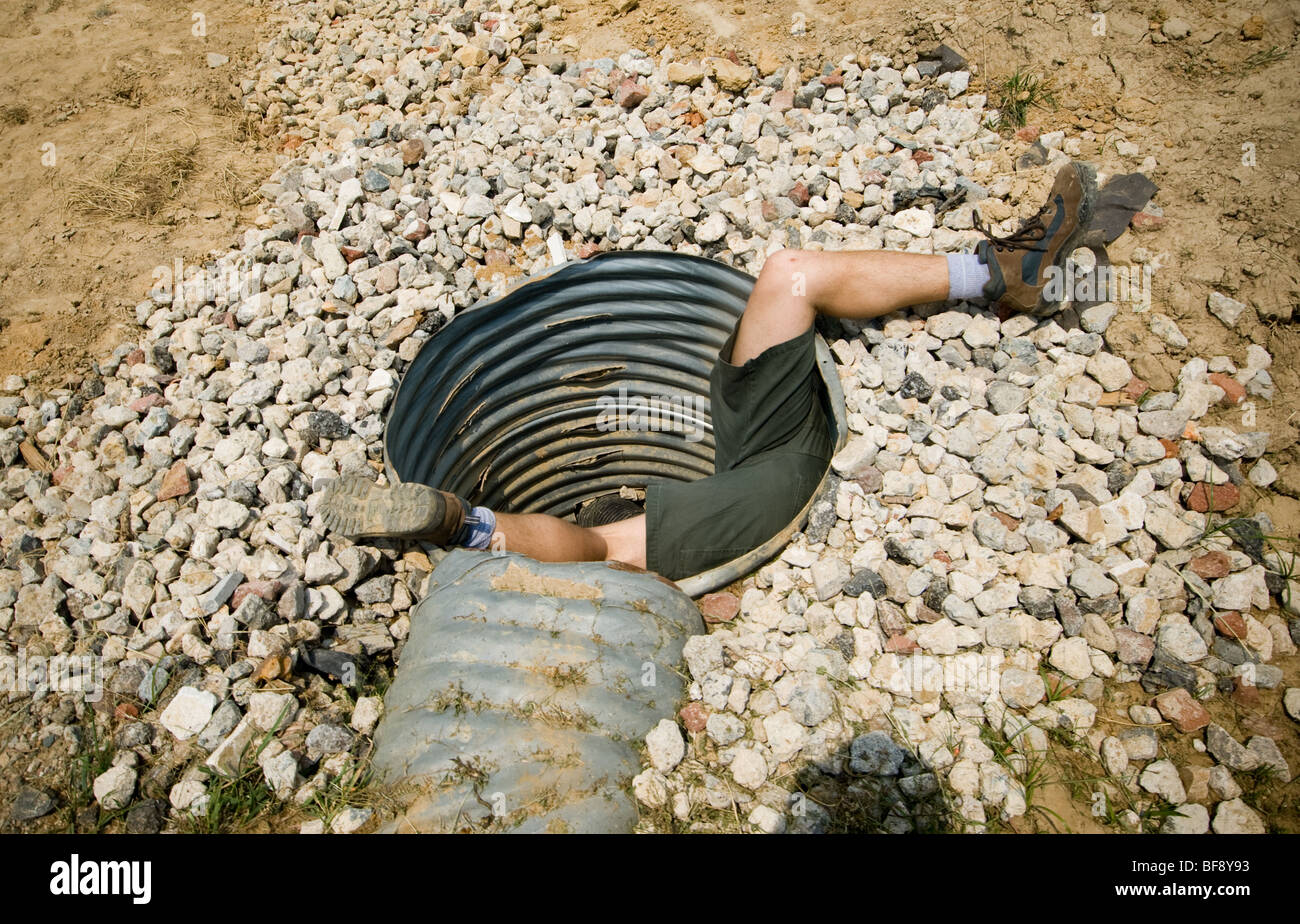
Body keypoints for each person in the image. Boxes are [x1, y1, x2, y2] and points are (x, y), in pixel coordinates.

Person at [319, 161, 1096, 581]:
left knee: (790, 273)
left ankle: (1002, 271)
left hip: (761, 456)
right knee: (603, 551)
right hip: (764, 468)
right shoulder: (760, 471)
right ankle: (464, 526)